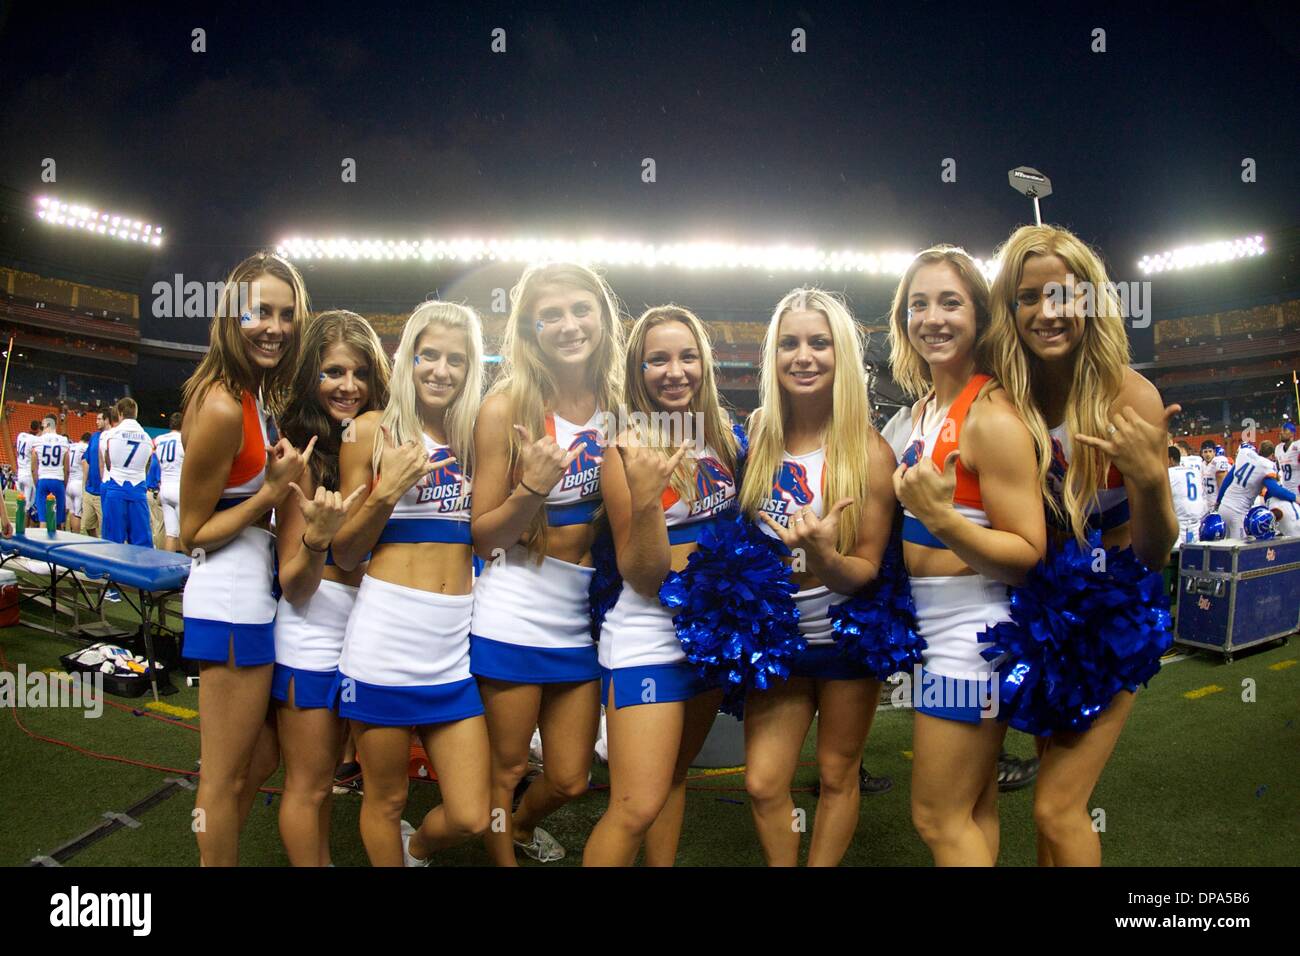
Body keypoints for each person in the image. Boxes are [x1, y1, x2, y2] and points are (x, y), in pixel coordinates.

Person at [987, 223, 1179, 866]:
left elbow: (1154, 553)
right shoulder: (1005, 399)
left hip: (1115, 614)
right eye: (1027, 297)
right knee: (1049, 792)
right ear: (1008, 311)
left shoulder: (1130, 395)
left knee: (1056, 805)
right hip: (1038, 615)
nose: (1046, 312)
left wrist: (1151, 482)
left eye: (1063, 295)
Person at [887, 247, 1047, 866]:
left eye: (950, 302)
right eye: (918, 304)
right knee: (976, 805)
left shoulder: (991, 414)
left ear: (980, 315)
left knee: (936, 815)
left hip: (970, 635)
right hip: (937, 629)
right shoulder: (923, 410)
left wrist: (941, 517)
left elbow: (1027, 555)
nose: (933, 318)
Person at [469, 261, 625, 865]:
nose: (569, 325)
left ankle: (522, 829)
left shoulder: (621, 402)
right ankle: (501, 856)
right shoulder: (504, 406)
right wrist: (530, 489)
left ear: (603, 317)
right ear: (530, 327)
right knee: (507, 766)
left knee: (569, 777)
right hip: (516, 605)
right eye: (551, 314)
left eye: (581, 309)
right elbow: (485, 538)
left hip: (586, 612)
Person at [739, 288, 898, 867]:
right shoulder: (758, 433)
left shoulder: (871, 452)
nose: (803, 357)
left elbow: (868, 573)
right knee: (762, 781)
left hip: (844, 640)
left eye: (819, 342)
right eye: (789, 343)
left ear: (843, 355)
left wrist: (824, 558)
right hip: (775, 641)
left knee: (836, 775)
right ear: (772, 357)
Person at [330, 301, 490, 867]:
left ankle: (416, 846)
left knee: (472, 812)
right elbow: (346, 552)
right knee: (386, 796)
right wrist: (385, 492)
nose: (441, 370)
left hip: (454, 646)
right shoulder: (369, 431)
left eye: (456, 359)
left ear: (472, 368)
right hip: (384, 640)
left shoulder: (478, 436)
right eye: (429, 355)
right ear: (407, 360)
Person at [582, 305, 737, 867]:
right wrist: (647, 498)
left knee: (674, 778)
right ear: (637, 370)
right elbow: (643, 575)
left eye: (687, 356)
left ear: (705, 364)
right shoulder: (625, 448)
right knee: (633, 804)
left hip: (710, 636)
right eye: (658, 360)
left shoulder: (720, 436)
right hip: (648, 637)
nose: (675, 371)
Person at [180, 251, 310, 866]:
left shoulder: (250, 395)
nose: (275, 328)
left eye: (286, 315)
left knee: (257, 761)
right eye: (260, 312)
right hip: (228, 600)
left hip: (250, 595)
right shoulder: (224, 405)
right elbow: (190, 531)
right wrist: (270, 491)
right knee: (223, 777)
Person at [271, 310, 390, 866]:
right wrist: (317, 541)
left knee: (341, 780)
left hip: (369, 632)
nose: (348, 386)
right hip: (313, 633)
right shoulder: (300, 457)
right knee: (311, 784)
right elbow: (293, 586)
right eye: (333, 372)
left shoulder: (384, 442)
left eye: (360, 373)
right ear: (309, 380)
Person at [101, 398, 154, 547]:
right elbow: (148, 465)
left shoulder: (111, 435)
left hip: (116, 487)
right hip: (138, 490)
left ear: (120, 412)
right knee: (141, 543)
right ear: (136, 413)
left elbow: (108, 463)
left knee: (112, 543)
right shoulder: (147, 438)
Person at [1214, 440, 1295, 539]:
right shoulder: (1267, 465)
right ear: (1272, 456)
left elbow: (1227, 480)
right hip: (1238, 512)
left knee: (1224, 547)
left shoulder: (1244, 454)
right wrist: (1295, 497)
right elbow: (1274, 490)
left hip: (1223, 507)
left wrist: (1218, 501)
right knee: (1238, 550)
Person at [30, 415, 70, 530]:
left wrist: (37, 483)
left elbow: (33, 468)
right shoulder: (63, 440)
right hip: (58, 480)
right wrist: (64, 484)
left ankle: (42, 546)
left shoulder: (38, 441)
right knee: (58, 522)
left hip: (43, 479)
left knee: (43, 519)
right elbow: (67, 469)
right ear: (55, 424)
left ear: (46, 424)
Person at [155, 414, 185, 552]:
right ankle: (192, 570)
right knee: (187, 535)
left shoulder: (160, 440)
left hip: (165, 488)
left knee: (171, 534)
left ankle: (168, 571)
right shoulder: (184, 440)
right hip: (180, 489)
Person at [1168, 443, 1205, 544]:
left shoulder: (1169, 473)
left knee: (1176, 557)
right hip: (1197, 523)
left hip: (1178, 525)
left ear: (1170, 460)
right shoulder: (1194, 471)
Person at [81, 410, 109, 537]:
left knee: (106, 528)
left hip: (103, 491)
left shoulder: (111, 436)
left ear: (107, 419)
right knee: (87, 524)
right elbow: (86, 460)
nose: (96, 421)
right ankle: (96, 543)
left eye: (99, 419)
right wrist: (84, 483)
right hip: (90, 489)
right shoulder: (94, 437)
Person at [65, 433, 89, 533]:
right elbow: (86, 465)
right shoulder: (85, 447)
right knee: (77, 514)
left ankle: (68, 535)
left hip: (69, 483)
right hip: (79, 483)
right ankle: (75, 537)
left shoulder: (71, 446)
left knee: (70, 512)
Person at [15, 420, 37, 522]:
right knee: (28, 507)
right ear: (37, 429)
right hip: (29, 475)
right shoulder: (35, 439)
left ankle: (19, 528)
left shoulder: (21, 435)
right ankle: (24, 531)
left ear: (29, 426)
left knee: (21, 503)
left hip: (20, 473)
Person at [1276, 422, 1299, 498]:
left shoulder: (1297, 446)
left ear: (1292, 433)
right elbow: (1276, 470)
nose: (1281, 432)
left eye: (1285, 430)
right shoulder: (1278, 448)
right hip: (1285, 492)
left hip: (1298, 491)